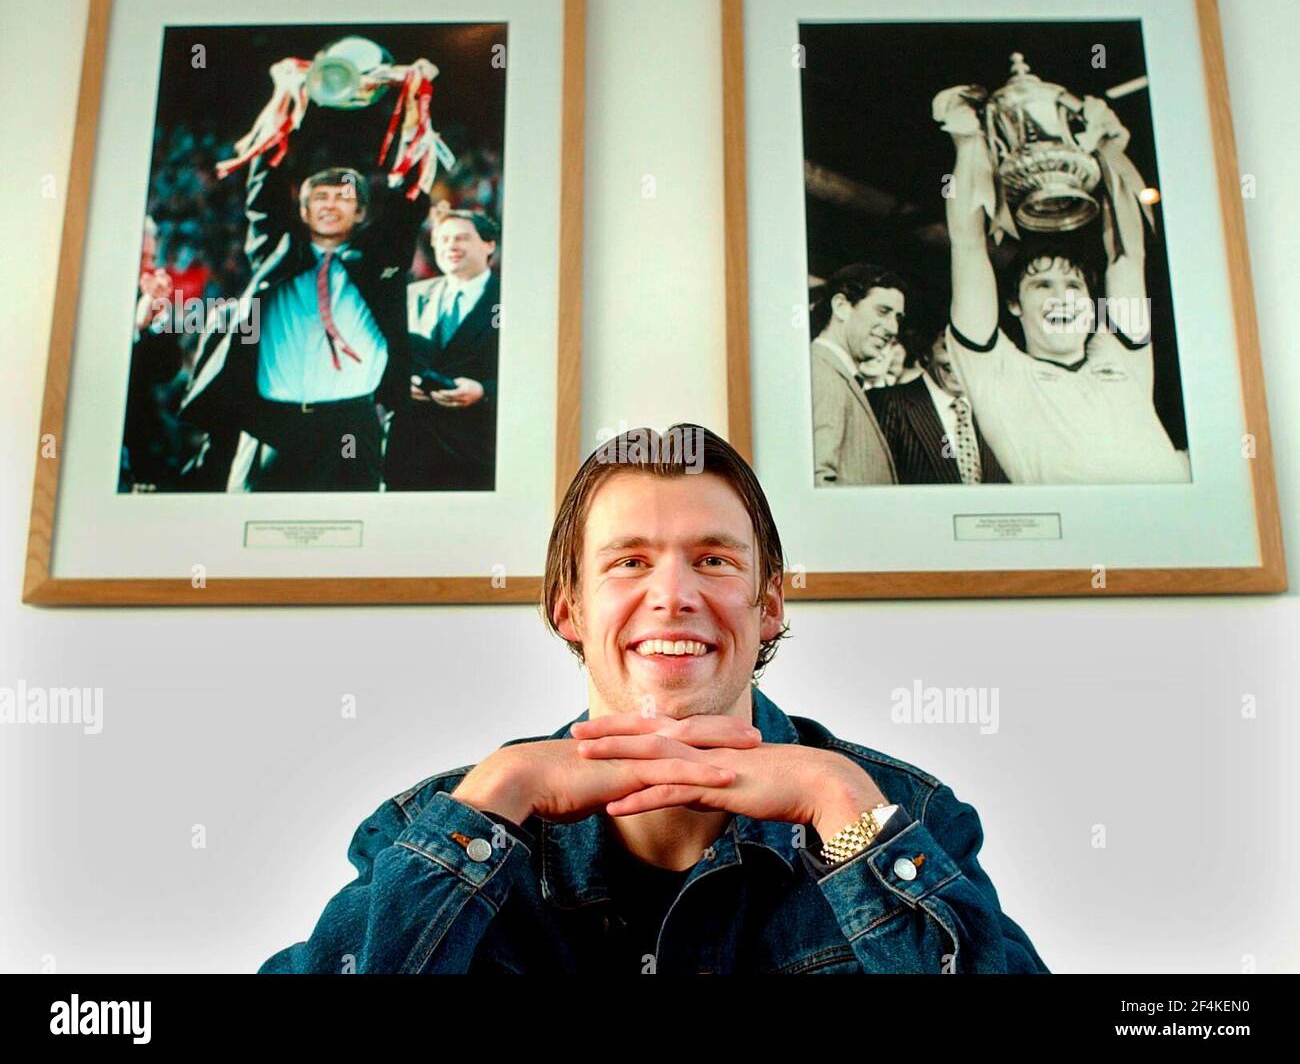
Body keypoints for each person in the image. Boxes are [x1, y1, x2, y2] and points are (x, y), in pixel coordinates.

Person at [259, 424, 1049, 974]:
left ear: (768, 605)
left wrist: (841, 810)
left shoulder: (899, 812)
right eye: (629, 563)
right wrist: (496, 800)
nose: (672, 596)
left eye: (712, 559)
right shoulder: (434, 823)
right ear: (567, 608)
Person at [179, 64, 430, 491]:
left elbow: (409, 196)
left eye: (343, 198)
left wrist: (415, 102)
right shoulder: (276, 252)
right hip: (270, 427)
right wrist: (286, 96)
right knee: (249, 540)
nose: (330, 205)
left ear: (362, 212)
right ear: (303, 210)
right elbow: (264, 188)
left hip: (350, 426)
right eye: (320, 197)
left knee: (356, 544)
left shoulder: (378, 262)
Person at [937, 85, 1189, 485]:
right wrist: (968, 142)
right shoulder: (999, 374)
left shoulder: (1121, 354)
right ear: (1014, 304)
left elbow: (1128, 254)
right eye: (1042, 285)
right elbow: (967, 246)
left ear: (1092, 304)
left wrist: (1109, 150)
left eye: (1074, 286)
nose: (1062, 297)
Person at [383, 209, 501, 491]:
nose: (452, 246)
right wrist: (398, 383)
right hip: (409, 452)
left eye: (462, 238)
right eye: (444, 239)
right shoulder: (410, 296)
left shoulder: (511, 298)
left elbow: (532, 375)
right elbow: (383, 360)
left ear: (489, 245)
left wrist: (484, 391)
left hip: (477, 454)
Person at [869, 324, 1009, 484]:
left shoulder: (999, 412)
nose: (961, 360)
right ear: (927, 352)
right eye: (948, 347)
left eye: (973, 351)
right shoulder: (888, 404)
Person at [809, 263, 905, 485]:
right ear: (841, 306)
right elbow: (820, 480)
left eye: (898, 318)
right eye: (883, 311)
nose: (893, 328)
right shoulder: (823, 373)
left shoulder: (834, 373)